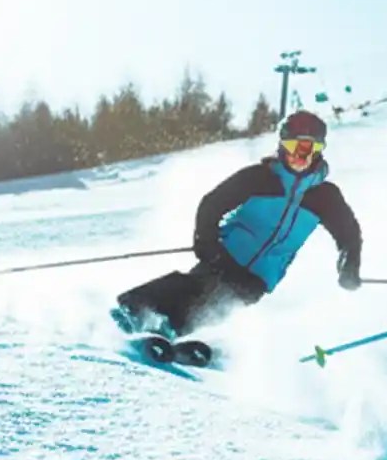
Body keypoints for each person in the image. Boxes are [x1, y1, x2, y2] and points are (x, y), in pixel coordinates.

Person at [112, 110, 363, 339]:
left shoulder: (326, 197)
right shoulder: (261, 178)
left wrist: (349, 265)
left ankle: (177, 336)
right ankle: (135, 307)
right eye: (294, 146)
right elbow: (212, 204)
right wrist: (206, 242)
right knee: (195, 287)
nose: (301, 155)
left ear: (320, 150)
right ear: (282, 146)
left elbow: (349, 236)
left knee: (218, 308)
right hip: (226, 254)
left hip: (260, 276)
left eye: (310, 148)